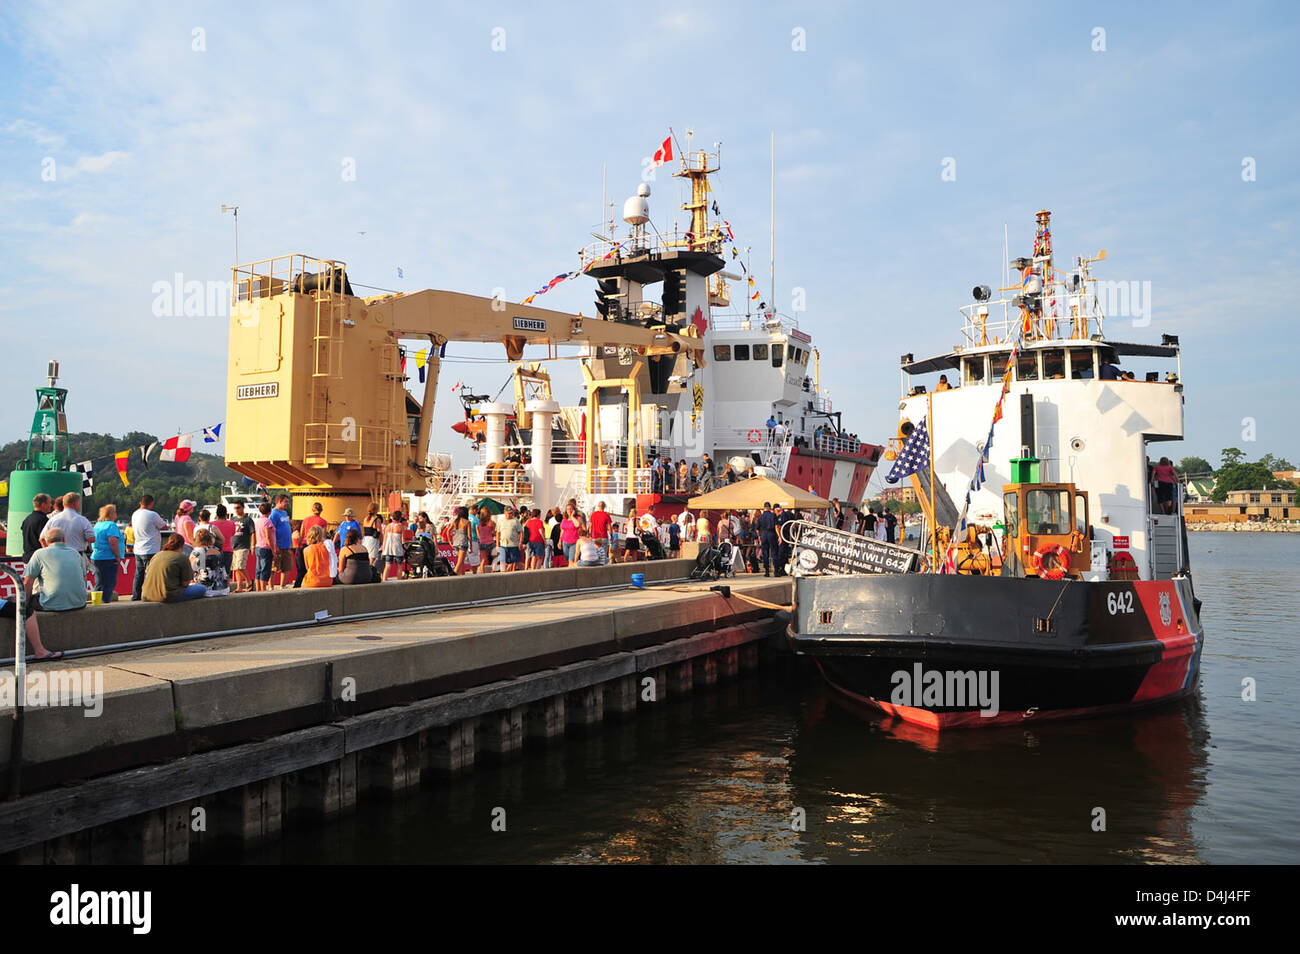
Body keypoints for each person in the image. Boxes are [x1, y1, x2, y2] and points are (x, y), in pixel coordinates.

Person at [143, 533, 207, 602]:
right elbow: (185, 583)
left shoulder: (157, 555)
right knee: (202, 588)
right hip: (167, 595)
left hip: (146, 594)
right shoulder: (182, 557)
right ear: (182, 546)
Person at [129, 495, 169, 601]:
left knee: (138, 574)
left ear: (140, 502)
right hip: (151, 549)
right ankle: (148, 595)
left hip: (138, 548)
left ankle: (136, 596)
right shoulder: (152, 515)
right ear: (151, 503)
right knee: (150, 574)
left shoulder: (135, 514)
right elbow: (164, 526)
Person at [91, 504, 125, 602]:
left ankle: (96, 602)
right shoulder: (111, 525)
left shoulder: (97, 525)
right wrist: (118, 556)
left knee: (99, 582)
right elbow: (113, 541)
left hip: (97, 556)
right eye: (115, 512)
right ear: (111, 514)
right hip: (108, 557)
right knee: (109, 583)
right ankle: (105, 602)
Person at [189, 528, 230, 596]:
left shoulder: (196, 552)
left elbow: (190, 571)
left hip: (206, 590)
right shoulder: (218, 550)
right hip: (224, 589)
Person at [228, 502, 256, 593]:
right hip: (233, 547)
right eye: (235, 508)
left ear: (243, 508)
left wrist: (252, 545)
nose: (236, 509)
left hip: (243, 546)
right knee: (236, 568)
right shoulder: (232, 519)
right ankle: (239, 587)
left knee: (240, 566)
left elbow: (253, 533)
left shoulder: (248, 520)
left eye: (238, 507)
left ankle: (249, 581)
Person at [269, 494, 295, 588]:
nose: (287, 504)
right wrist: (275, 545)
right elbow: (271, 530)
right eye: (286, 501)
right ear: (279, 501)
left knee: (286, 567)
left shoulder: (285, 513)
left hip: (287, 545)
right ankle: (271, 587)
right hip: (278, 545)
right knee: (274, 567)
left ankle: (282, 585)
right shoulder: (274, 514)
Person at [20, 493, 52, 563]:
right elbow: (45, 540)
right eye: (49, 503)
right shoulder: (43, 520)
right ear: (43, 504)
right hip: (39, 559)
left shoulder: (27, 519)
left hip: (27, 557)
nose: (51, 505)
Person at [253, 502, 276, 592]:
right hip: (266, 547)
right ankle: (263, 590)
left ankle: (258, 589)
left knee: (258, 569)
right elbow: (268, 537)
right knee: (265, 569)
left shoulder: (258, 521)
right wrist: (273, 549)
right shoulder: (268, 521)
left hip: (258, 546)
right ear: (269, 511)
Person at [211, 504, 237, 578]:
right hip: (228, 550)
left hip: (215, 550)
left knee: (215, 571)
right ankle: (227, 588)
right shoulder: (231, 523)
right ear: (226, 513)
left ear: (217, 514)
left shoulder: (212, 524)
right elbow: (232, 533)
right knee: (227, 572)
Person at [755, 502, 779, 576]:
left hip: (764, 534)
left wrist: (759, 536)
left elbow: (757, 528)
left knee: (765, 552)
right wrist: (779, 536)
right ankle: (776, 571)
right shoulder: (773, 515)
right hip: (772, 534)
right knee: (774, 552)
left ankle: (767, 571)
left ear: (764, 508)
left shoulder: (760, 516)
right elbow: (776, 526)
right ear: (770, 508)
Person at [498, 507, 524, 572]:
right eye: (508, 513)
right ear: (505, 513)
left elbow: (521, 532)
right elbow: (498, 532)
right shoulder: (500, 521)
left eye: (511, 513)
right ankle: (503, 573)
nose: (510, 514)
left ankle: (524, 572)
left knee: (515, 561)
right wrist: (497, 543)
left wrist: (520, 542)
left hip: (513, 545)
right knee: (502, 561)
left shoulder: (515, 521)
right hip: (503, 544)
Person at [381, 511, 406, 580]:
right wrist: (405, 549)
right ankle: (399, 581)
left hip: (388, 548)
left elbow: (385, 539)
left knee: (387, 566)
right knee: (399, 566)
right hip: (397, 548)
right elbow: (403, 540)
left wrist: (383, 550)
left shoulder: (388, 526)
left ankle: (384, 580)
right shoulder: (400, 526)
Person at [589, 500, 612, 565]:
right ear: (604, 507)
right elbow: (609, 527)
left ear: (598, 506)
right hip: (603, 537)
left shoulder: (593, 515)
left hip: (594, 537)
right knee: (603, 553)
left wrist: (590, 535)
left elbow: (590, 526)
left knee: (595, 552)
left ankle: (595, 564)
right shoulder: (606, 515)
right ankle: (602, 565)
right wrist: (611, 536)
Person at [477, 507, 497, 573]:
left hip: (482, 542)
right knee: (495, 558)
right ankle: (493, 571)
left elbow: (478, 534)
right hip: (490, 542)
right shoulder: (491, 522)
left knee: (483, 559)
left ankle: (482, 572)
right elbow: (493, 533)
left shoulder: (479, 523)